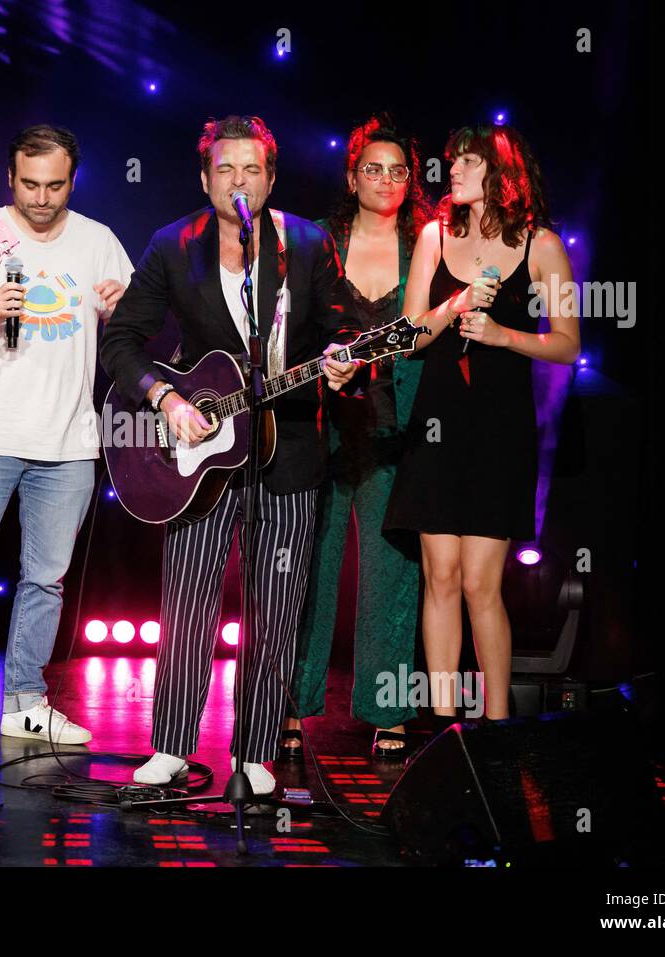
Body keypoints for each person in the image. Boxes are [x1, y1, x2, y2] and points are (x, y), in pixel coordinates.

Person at [100, 115, 359, 795]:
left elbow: (344, 328)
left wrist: (341, 361)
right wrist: (164, 398)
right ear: (205, 177)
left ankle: (256, 753)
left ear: (270, 178)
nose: (237, 181)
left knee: (277, 608)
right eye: (225, 169)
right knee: (186, 602)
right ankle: (171, 746)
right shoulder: (171, 245)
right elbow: (121, 340)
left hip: (292, 449)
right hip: (200, 458)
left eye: (252, 169)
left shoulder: (306, 243)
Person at [0, 125, 132, 743]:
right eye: (30, 184)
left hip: (66, 442)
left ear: (74, 179)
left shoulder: (99, 242)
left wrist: (122, 309)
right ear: (9, 178)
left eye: (55, 185)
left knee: (45, 578)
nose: (42, 198)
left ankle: (24, 702)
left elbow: (130, 329)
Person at [383, 123, 579, 726]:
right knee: (439, 577)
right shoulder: (433, 235)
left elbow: (568, 344)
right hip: (437, 425)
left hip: (499, 430)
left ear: (502, 173)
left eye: (468, 161)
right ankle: (443, 727)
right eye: (453, 161)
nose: (454, 171)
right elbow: (405, 338)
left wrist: (501, 334)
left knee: (478, 585)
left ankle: (497, 730)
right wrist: (456, 306)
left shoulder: (542, 245)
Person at [284, 115, 432, 760]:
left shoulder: (429, 243)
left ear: (410, 180)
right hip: (319, 425)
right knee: (306, 570)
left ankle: (388, 710)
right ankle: (290, 704)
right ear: (352, 175)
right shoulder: (319, 241)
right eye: (373, 167)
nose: (385, 179)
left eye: (398, 169)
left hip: (394, 427)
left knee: (392, 576)